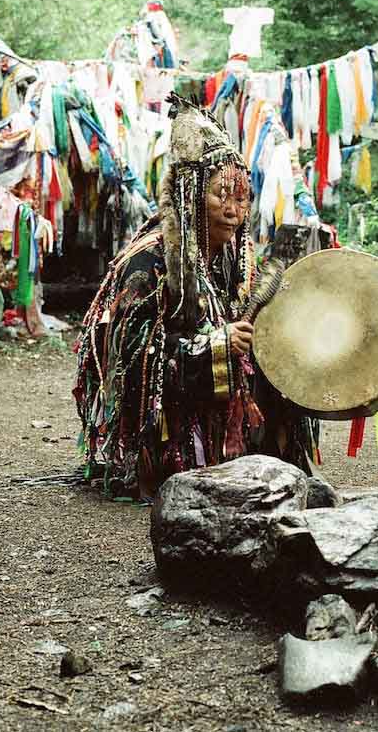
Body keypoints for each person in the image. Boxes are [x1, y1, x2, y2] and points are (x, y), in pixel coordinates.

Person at [73, 97, 318, 500]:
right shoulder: (149, 261)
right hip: (166, 421)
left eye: (242, 199)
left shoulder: (234, 257)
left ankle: (259, 457)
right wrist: (214, 346)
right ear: (191, 196)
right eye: (223, 195)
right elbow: (130, 363)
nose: (234, 210)